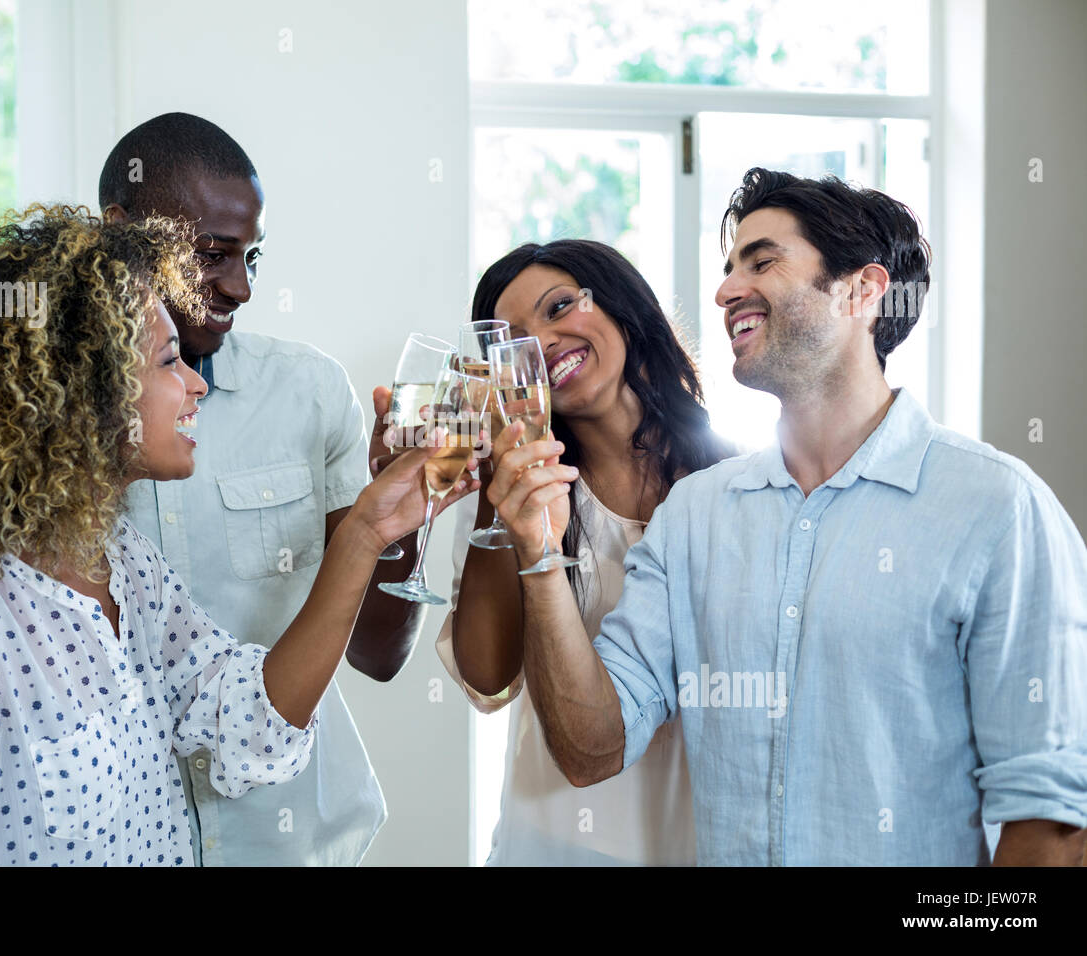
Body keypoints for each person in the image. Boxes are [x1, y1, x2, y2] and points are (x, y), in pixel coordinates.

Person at [491, 168, 1087, 866]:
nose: (725, 291)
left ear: (863, 290)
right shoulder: (695, 516)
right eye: (727, 270)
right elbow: (592, 749)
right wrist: (539, 555)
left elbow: (1049, 821)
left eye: (761, 261)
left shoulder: (996, 508)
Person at [0, 205, 473, 866]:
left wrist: (367, 531)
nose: (195, 386)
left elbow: (249, 725)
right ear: (82, 394)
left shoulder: (126, 566)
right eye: (168, 361)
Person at [101, 113, 421, 866]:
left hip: (295, 842)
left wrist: (396, 519)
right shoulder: (39, 435)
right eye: (212, 255)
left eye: (252, 258)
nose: (242, 288)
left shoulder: (310, 393)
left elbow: (378, 654)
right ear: (120, 233)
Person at [436, 240, 731, 865]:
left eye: (560, 307)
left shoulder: (738, 481)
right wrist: (497, 488)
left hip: (700, 841)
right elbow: (487, 677)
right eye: (514, 342)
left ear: (622, 304)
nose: (543, 342)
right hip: (553, 842)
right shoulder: (518, 497)